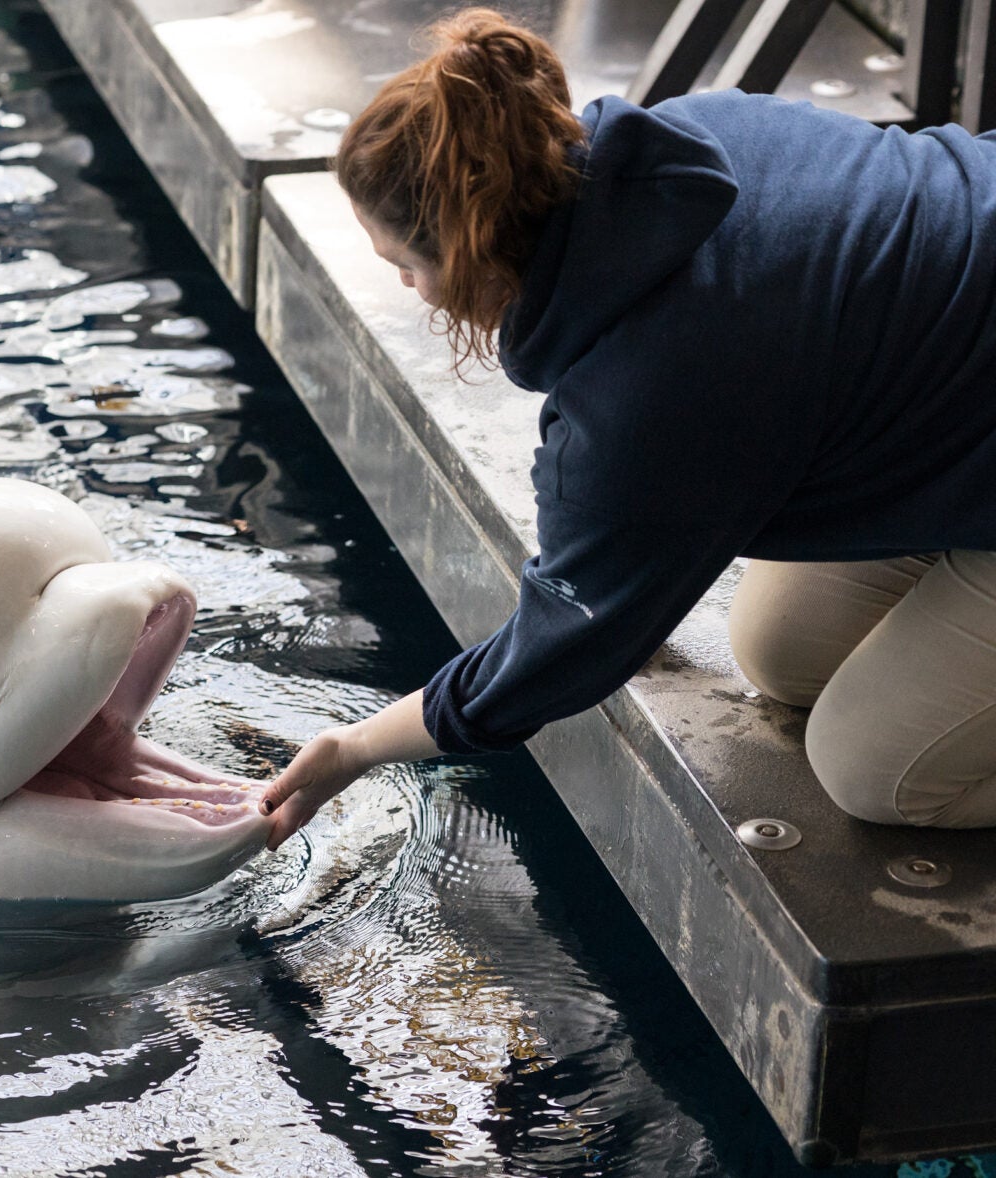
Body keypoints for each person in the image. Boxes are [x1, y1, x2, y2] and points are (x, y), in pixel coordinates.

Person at [259, 7, 996, 849]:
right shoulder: (687, 142)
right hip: (964, 401)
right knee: (782, 652)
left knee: (875, 769)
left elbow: (552, 659)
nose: (405, 287)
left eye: (408, 265)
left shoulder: (652, 400)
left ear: (469, 251)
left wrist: (354, 746)